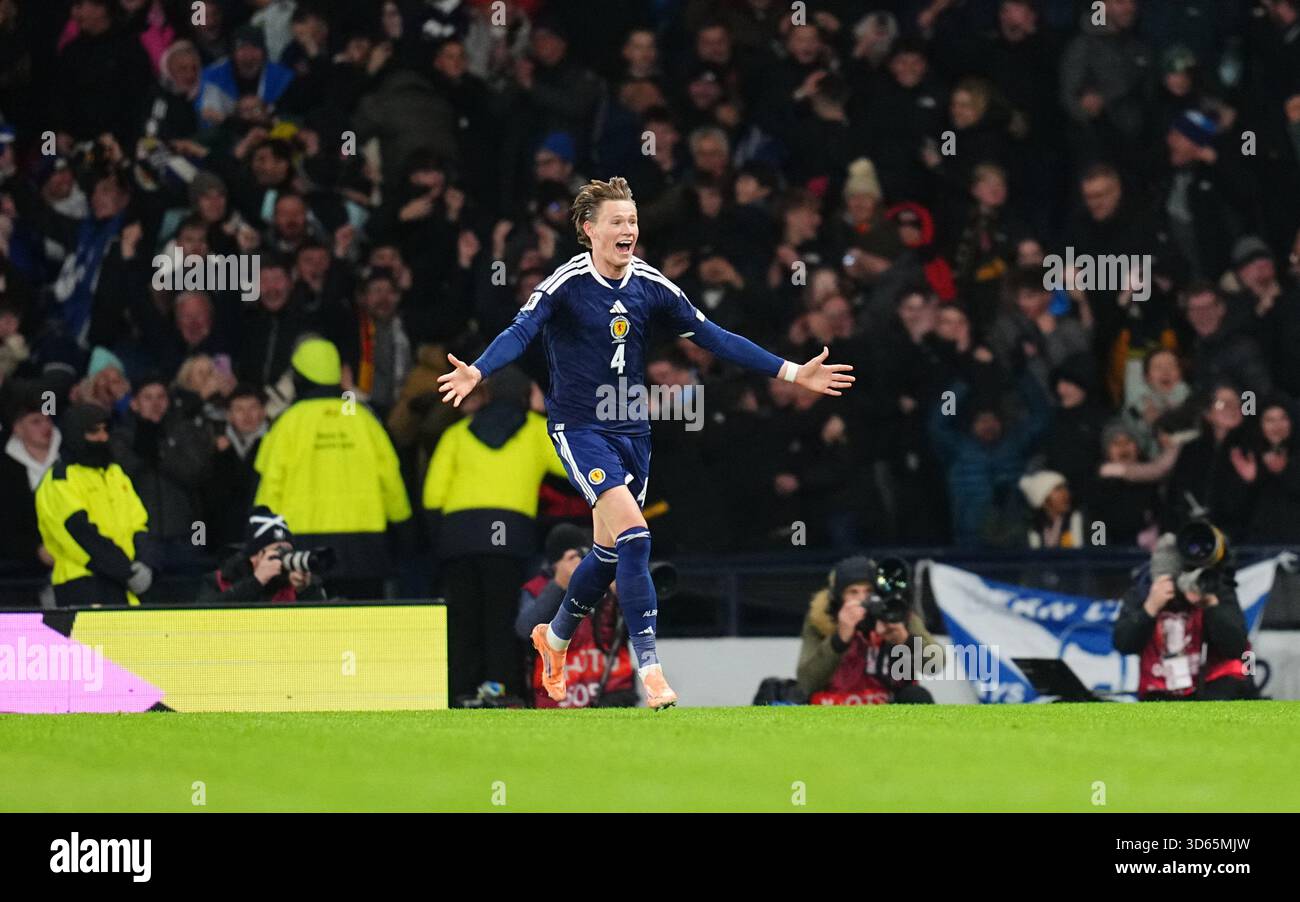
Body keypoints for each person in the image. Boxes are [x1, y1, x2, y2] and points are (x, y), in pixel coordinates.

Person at [437, 176, 855, 709]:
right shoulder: (565, 284)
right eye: (617, 221)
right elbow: (520, 332)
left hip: (631, 430)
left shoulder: (650, 285)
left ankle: (555, 636)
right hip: (579, 428)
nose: (628, 229)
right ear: (589, 230)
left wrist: (793, 372)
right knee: (636, 534)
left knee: (608, 553)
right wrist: (478, 370)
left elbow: (714, 336)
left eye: (632, 221)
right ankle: (652, 670)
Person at [421, 366, 568, 703]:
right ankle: (502, 688)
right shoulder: (535, 431)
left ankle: (460, 690)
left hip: (459, 533)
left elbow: (433, 495)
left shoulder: (458, 433)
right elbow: (571, 467)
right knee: (503, 617)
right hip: (508, 533)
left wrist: (440, 538)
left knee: (463, 617)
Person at [253, 337, 412, 599]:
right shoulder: (363, 419)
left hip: (302, 551)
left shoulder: (287, 424)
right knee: (362, 633)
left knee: (311, 634)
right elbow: (391, 481)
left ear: (298, 376)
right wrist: (406, 532)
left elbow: (270, 488)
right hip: (365, 548)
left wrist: (259, 543)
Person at [34, 403, 157, 607]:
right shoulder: (59, 479)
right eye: (93, 431)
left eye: (105, 430)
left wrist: (145, 564)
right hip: (82, 584)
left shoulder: (114, 473)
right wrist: (125, 570)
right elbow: (79, 533)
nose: (103, 437)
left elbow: (139, 523)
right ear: (76, 434)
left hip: (125, 584)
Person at [1112, 529, 1255, 701]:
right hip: (1159, 690)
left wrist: (1210, 604)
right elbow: (1123, 644)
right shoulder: (1142, 594)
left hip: (1215, 687)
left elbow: (1237, 647)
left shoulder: (1213, 587)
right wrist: (1150, 608)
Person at [514, 523, 636, 708]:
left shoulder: (603, 580)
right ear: (555, 563)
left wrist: (621, 591)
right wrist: (560, 585)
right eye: (572, 557)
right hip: (557, 697)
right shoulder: (537, 588)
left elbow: (641, 625)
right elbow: (524, 629)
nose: (580, 563)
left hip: (612, 691)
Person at [795, 555, 940, 704]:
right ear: (839, 597)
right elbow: (807, 682)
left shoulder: (896, 613)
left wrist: (905, 640)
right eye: (853, 592)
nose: (862, 599)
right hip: (836, 708)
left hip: (887, 707)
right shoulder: (822, 620)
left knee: (917, 695)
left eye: (868, 591)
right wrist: (838, 641)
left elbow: (936, 665)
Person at [198, 506, 327, 603]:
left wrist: (306, 591)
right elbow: (202, 620)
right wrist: (256, 581)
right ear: (254, 557)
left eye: (288, 551)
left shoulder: (299, 581)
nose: (284, 558)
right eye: (278, 551)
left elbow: (325, 627)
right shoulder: (220, 580)